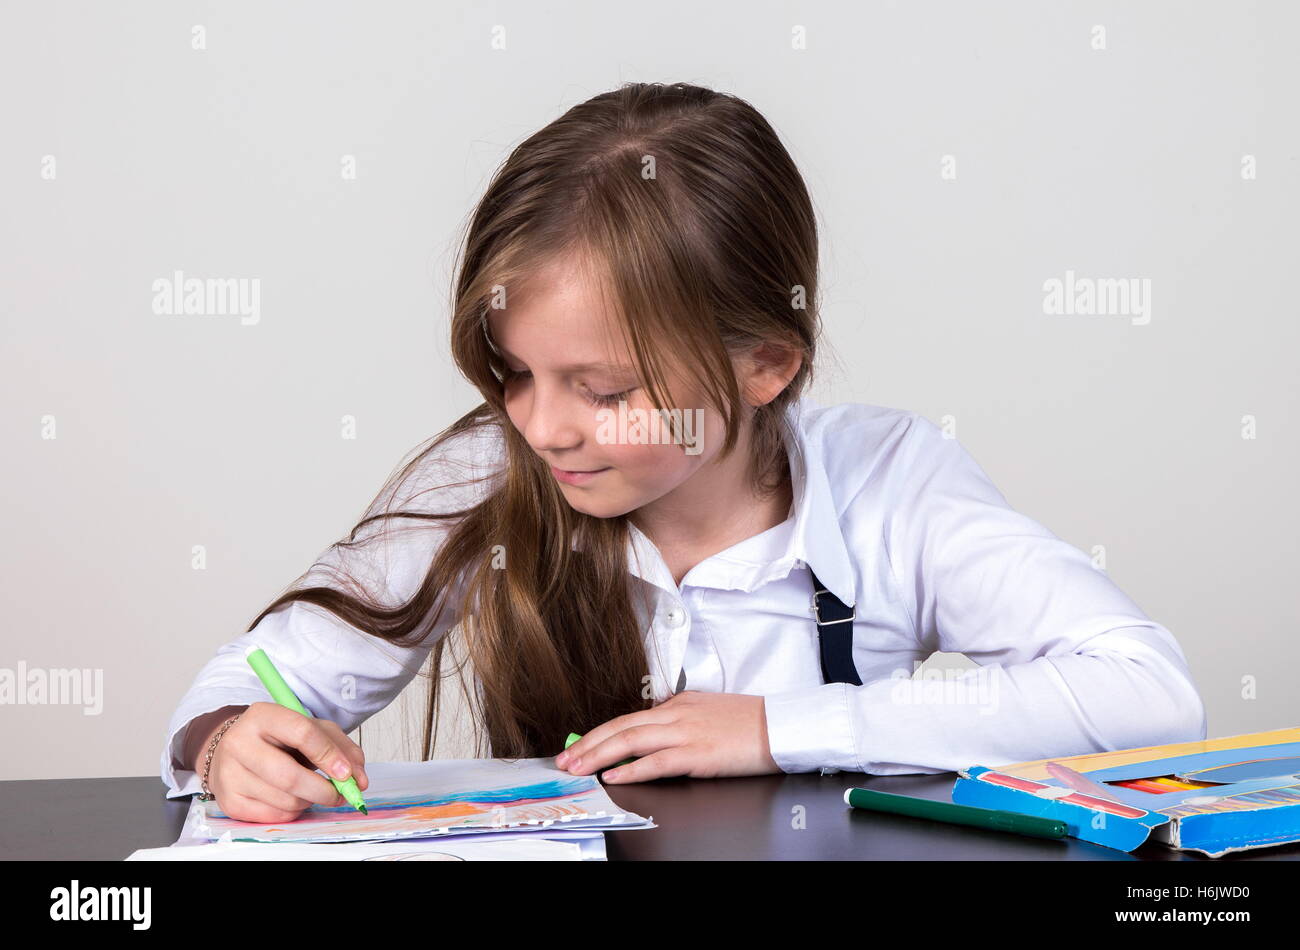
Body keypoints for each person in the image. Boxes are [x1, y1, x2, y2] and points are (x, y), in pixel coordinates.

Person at [161, 82, 1205, 824]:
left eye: (603, 390)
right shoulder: (490, 471)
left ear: (763, 366)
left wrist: (779, 727)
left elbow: (1147, 691)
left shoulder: (890, 482)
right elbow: (241, 686)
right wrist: (226, 743)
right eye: (515, 371)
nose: (541, 425)